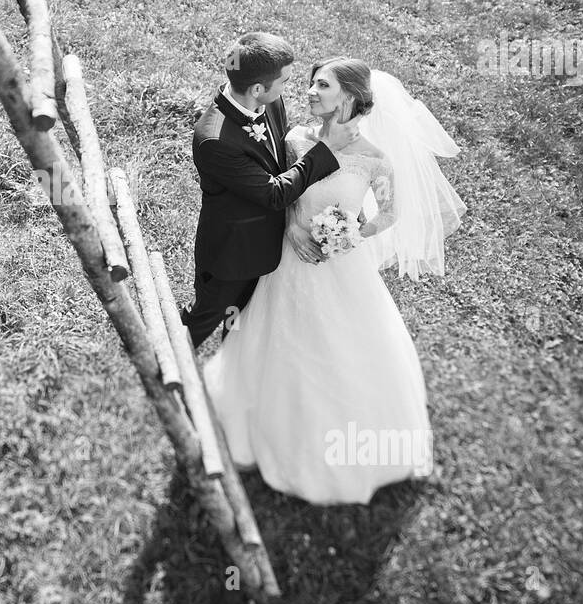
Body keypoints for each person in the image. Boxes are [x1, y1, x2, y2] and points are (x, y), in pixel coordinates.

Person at [201, 56, 466, 504]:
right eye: (307, 83)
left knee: (345, 351)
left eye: (320, 85)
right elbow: (281, 190)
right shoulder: (297, 139)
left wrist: (350, 235)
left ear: (348, 97)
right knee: (274, 342)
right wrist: (290, 225)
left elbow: (391, 213)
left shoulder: (375, 162)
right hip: (287, 261)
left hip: (341, 270)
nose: (308, 91)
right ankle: (267, 431)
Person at [180, 33, 359, 349]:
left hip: (266, 248)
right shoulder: (215, 141)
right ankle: (164, 361)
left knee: (239, 321)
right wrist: (327, 149)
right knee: (208, 314)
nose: (289, 89)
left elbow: (280, 161)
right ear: (257, 89)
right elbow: (273, 193)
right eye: (284, 82)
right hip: (231, 256)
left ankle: (228, 361)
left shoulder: (270, 102)